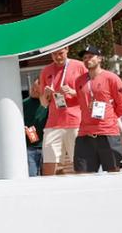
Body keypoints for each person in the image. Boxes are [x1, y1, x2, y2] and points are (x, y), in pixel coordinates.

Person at [72, 46, 122, 174]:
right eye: (85, 58)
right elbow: (81, 104)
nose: (87, 60)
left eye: (90, 57)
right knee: (82, 173)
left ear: (99, 59)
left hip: (107, 132)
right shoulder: (79, 81)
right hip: (85, 133)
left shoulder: (111, 78)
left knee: (113, 172)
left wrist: (110, 117)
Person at [37, 46, 87, 175]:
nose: (58, 57)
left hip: (75, 122)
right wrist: (46, 95)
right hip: (53, 124)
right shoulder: (46, 71)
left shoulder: (80, 66)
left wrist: (73, 92)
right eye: (54, 54)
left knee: (80, 164)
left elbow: (90, 94)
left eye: (60, 53)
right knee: (48, 164)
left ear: (67, 49)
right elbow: (43, 104)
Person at [23, 79, 48, 177]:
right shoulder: (23, 103)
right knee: (32, 175)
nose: (33, 90)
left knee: (48, 177)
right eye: (32, 88)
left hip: (46, 147)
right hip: (30, 147)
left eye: (36, 89)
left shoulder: (49, 104)